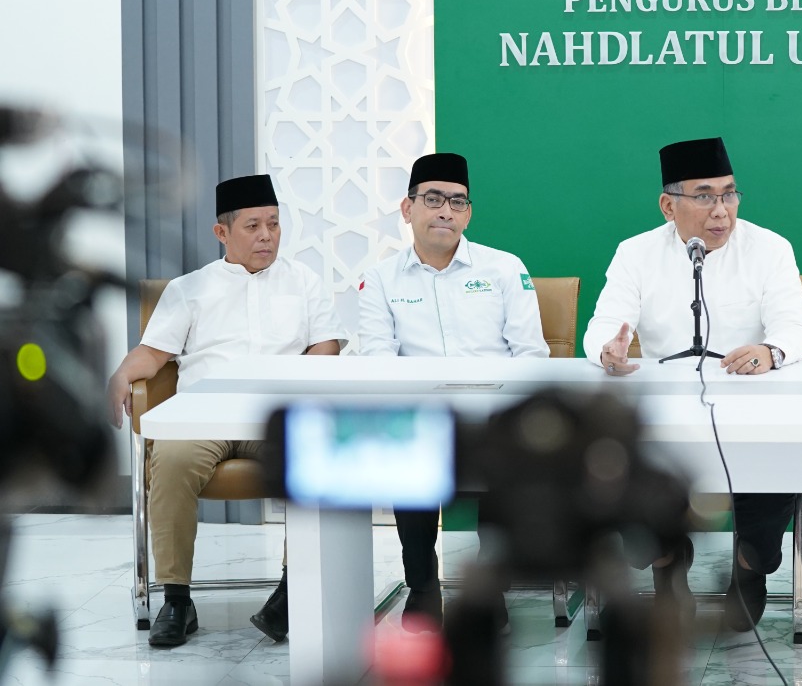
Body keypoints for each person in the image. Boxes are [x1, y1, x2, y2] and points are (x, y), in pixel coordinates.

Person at [582, 136, 802, 632]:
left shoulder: (769, 248)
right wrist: (609, 350)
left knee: (779, 460)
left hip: (752, 405)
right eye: (704, 196)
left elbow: (797, 328)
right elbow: (603, 326)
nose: (721, 211)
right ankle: (668, 565)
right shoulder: (636, 253)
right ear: (669, 205)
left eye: (729, 194)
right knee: (614, 456)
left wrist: (770, 352)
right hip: (666, 407)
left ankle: (750, 568)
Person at [106, 175, 344, 647]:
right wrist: (119, 374)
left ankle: (292, 593)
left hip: (273, 417)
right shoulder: (189, 288)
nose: (266, 236)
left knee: (310, 451)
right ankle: (176, 600)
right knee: (170, 460)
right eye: (253, 226)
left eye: (274, 224)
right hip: (203, 416)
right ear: (222, 233)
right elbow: (152, 354)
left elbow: (327, 345)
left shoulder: (305, 281)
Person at [356, 152, 549, 632]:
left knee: (510, 450)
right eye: (434, 199)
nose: (446, 211)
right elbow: (378, 360)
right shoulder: (381, 279)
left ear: (468, 213)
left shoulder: (504, 269)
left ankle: (490, 587)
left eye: (457, 202)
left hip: (494, 415)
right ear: (408, 208)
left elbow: (531, 354)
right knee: (410, 450)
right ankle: (422, 587)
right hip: (419, 416)